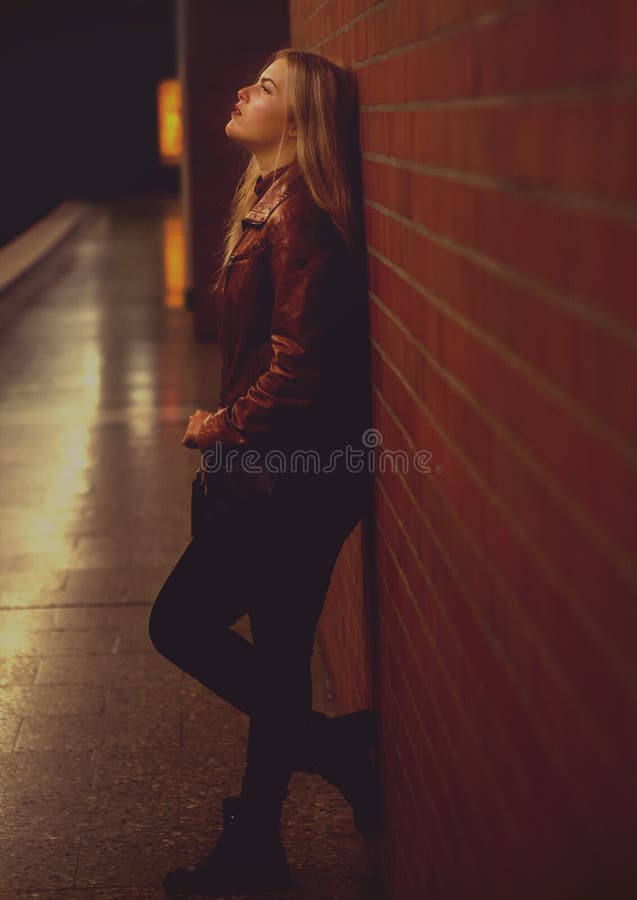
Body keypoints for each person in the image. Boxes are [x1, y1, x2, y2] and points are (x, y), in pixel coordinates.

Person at [148, 47, 379, 896]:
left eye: (268, 88)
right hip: (296, 474)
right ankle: (259, 847)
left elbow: (301, 367)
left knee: (177, 625)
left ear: (301, 120)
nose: (245, 89)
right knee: (278, 657)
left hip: (292, 477)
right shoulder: (272, 203)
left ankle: (325, 752)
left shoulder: (300, 215)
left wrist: (222, 429)